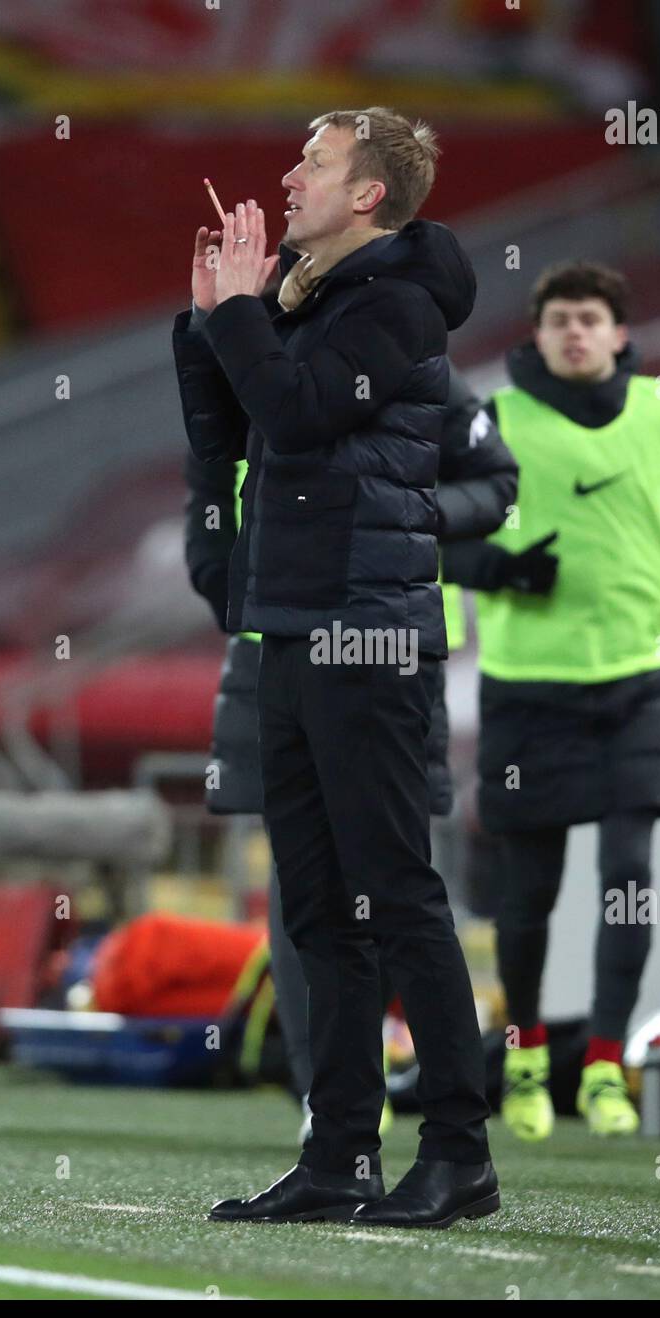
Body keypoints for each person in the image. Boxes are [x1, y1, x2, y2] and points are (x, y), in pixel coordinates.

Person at [172, 106, 501, 1227]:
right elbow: (228, 431)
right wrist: (214, 314)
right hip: (294, 625)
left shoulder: (399, 302)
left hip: (366, 631)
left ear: (368, 193)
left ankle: (457, 1150)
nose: (287, 173)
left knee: (398, 893)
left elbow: (303, 414)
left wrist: (246, 319)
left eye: (312, 160)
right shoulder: (308, 303)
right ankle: (339, 1154)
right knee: (319, 906)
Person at [178, 342, 518, 1135]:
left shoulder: (406, 349)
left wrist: (407, 517)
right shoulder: (243, 360)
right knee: (303, 889)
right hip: (273, 657)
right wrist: (232, 585)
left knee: (400, 878)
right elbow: (207, 495)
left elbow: (495, 488)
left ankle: (444, 1118)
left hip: (388, 654)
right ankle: (329, 1101)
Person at [443, 260, 660, 1140]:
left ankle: (607, 1067)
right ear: (537, 334)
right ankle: (529, 1059)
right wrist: (498, 566)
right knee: (530, 890)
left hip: (642, 677)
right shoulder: (494, 421)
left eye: (590, 319)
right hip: (530, 687)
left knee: (630, 878)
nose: (575, 333)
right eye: (560, 320)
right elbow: (423, 526)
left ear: (619, 333)